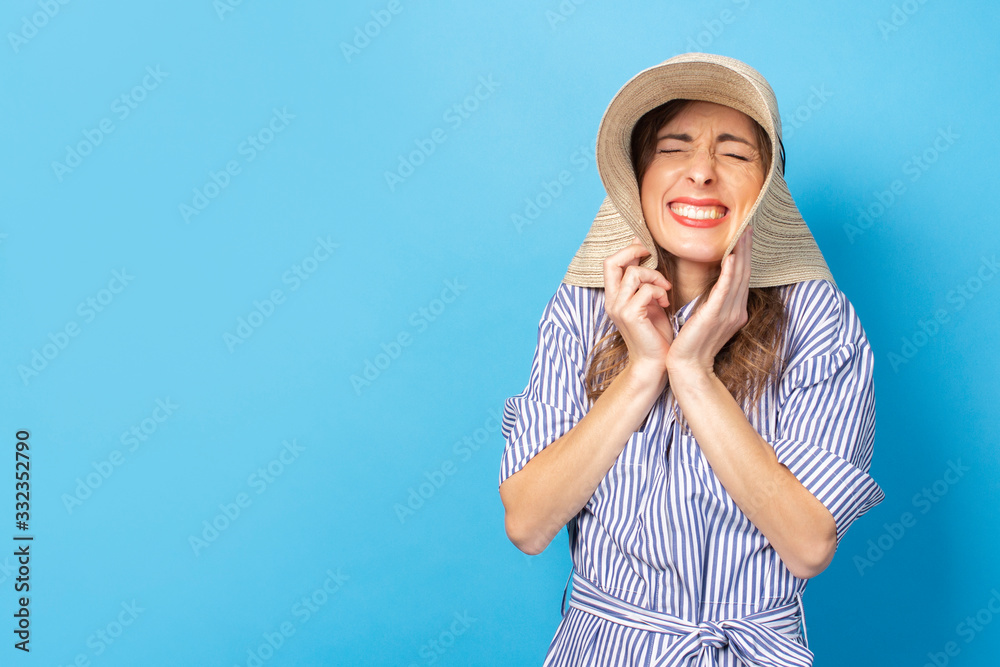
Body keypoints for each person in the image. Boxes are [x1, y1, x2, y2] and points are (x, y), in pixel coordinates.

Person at [497, 53, 884, 666]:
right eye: (673, 148)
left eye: (735, 154)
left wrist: (693, 372)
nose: (701, 172)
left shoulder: (818, 319)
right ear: (638, 178)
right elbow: (528, 522)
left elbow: (809, 544)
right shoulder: (582, 308)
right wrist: (644, 369)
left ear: (767, 189)